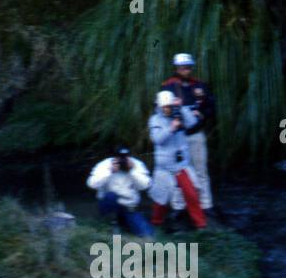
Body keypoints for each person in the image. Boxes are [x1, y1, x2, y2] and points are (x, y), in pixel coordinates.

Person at [160, 53, 218, 217]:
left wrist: (201, 113)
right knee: (178, 172)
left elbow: (211, 106)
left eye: (188, 67)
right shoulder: (168, 86)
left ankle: (206, 205)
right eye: (182, 67)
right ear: (176, 68)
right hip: (176, 137)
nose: (185, 70)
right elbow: (160, 110)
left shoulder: (200, 85)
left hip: (196, 134)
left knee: (201, 170)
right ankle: (178, 207)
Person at [148, 89, 207, 231]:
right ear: (160, 106)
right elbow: (157, 139)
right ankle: (156, 222)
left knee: (191, 193)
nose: (167, 109)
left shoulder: (179, 113)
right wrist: (171, 128)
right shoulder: (155, 120)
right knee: (160, 199)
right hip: (164, 167)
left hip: (181, 165)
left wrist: (181, 108)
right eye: (165, 107)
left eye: (169, 106)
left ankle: (201, 224)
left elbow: (193, 123)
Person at [85, 146, 153, 237]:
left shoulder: (137, 164)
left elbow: (145, 186)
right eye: (120, 157)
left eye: (125, 157)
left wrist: (132, 171)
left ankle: (124, 223)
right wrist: (110, 171)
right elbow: (91, 184)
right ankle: (109, 221)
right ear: (114, 156)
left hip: (129, 207)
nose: (122, 160)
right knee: (111, 196)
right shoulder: (105, 164)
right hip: (109, 205)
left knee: (147, 235)